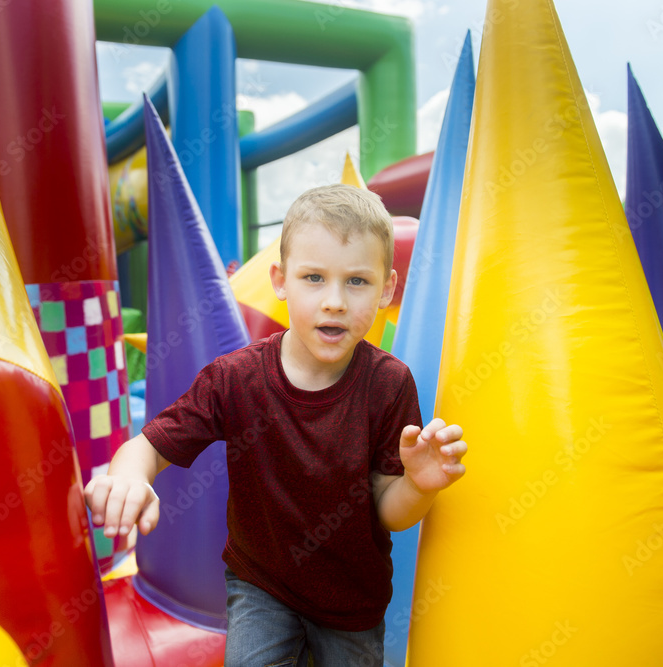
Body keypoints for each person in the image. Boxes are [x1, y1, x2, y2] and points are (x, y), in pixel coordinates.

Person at [85, 184, 467, 666]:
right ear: (280, 280)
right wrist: (128, 475)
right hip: (261, 584)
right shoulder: (235, 378)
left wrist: (419, 485)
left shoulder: (389, 385)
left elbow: (389, 510)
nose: (334, 301)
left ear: (387, 288)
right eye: (313, 278)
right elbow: (150, 445)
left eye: (357, 282)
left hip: (352, 599)